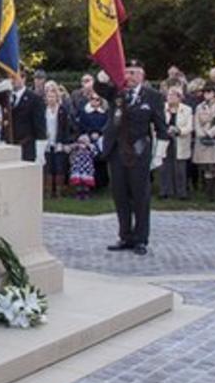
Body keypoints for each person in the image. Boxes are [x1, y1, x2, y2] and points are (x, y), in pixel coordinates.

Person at [93, 60, 168, 256]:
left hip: (139, 151)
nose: (129, 76)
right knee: (120, 195)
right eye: (126, 72)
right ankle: (125, 235)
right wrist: (105, 69)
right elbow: (99, 88)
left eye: (134, 72)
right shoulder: (117, 91)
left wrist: (159, 155)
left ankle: (140, 238)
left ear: (142, 75)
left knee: (140, 197)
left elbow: (161, 128)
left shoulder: (153, 96)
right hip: (117, 150)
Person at [0, 72, 45, 162]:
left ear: (23, 79)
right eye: (10, 78)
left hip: (26, 146)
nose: (12, 80)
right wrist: (2, 85)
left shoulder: (34, 99)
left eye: (14, 77)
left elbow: (40, 127)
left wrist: (40, 151)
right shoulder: (6, 95)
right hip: (7, 144)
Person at [158, 87, 194, 200]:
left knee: (180, 168)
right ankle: (165, 191)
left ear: (179, 97)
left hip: (180, 139)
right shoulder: (161, 108)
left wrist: (179, 130)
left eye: (173, 95)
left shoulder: (187, 109)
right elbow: (157, 122)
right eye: (169, 95)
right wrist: (165, 130)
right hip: (165, 139)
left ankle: (181, 192)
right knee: (164, 166)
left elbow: (189, 126)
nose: (170, 97)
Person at [41, 86, 74, 198]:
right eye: (49, 96)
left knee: (59, 166)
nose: (50, 99)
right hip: (47, 141)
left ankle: (59, 191)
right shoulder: (44, 110)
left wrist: (63, 142)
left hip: (59, 141)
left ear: (57, 97)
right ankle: (48, 191)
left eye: (53, 96)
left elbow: (65, 127)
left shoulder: (62, 110)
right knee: (48, 165)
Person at [76, 91, 111, 191]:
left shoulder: (105, 113)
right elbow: (82, 125)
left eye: (97, 100)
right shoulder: (84, 113)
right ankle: (86, 184)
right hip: (87, 138)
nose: (94, 102)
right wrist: (90, 133)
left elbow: (106, 126)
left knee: (101, 159)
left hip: (101, 138)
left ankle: (102, 183)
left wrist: (99, 133)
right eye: (92, 99)